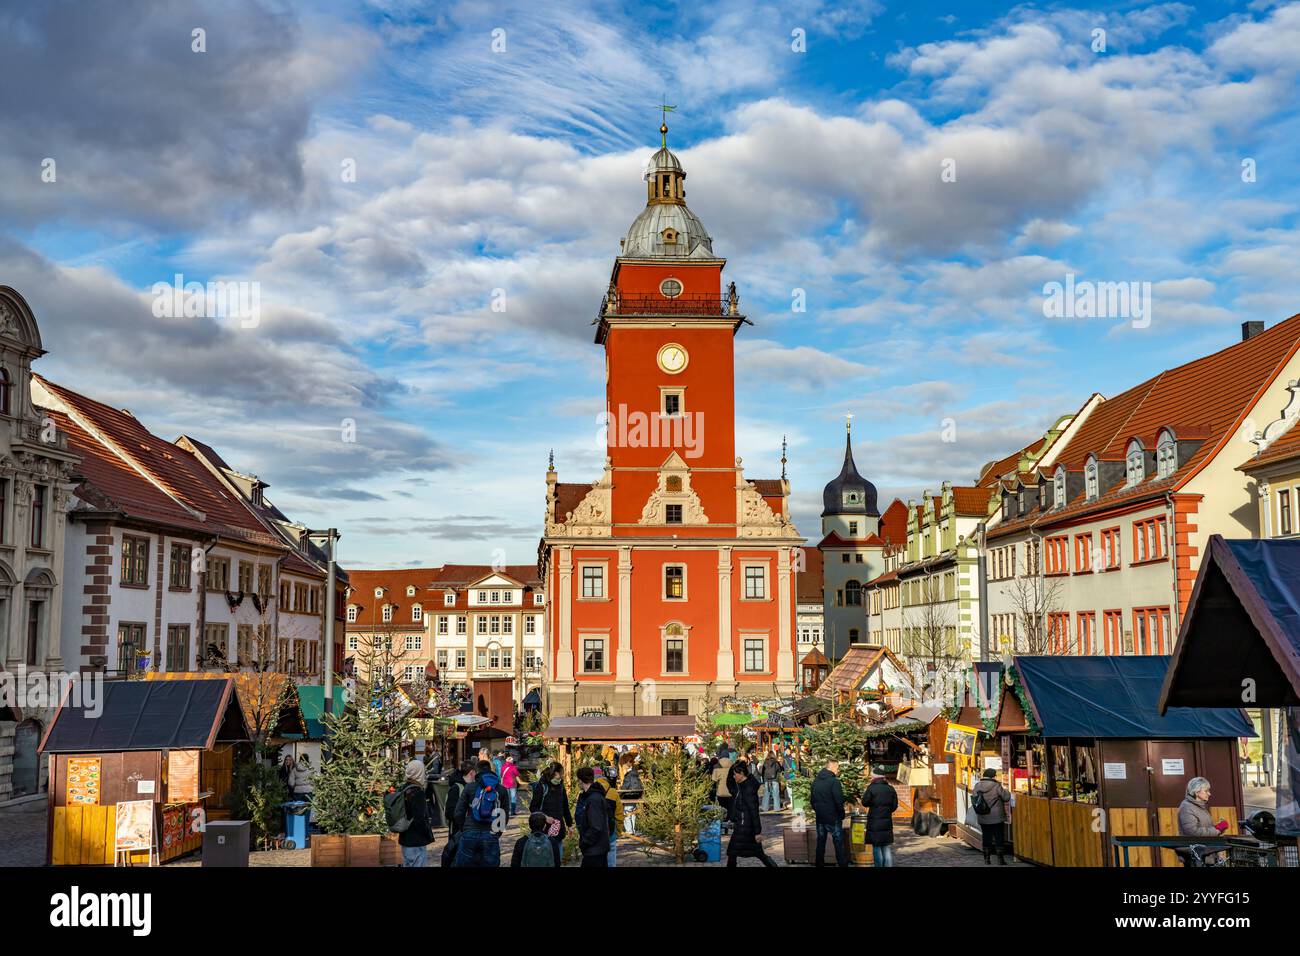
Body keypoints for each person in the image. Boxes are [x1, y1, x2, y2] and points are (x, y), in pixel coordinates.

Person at [726, 762, 779, 867]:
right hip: (741, 825)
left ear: (741, 773)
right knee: (734, 852)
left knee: (755, 853)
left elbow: (754, 811)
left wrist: (757, 832)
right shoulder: (739, 786)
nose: (734, 776)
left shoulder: (748, 789)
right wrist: (734, 765)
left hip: (746, 827)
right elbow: (729, 783)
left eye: (735, 774)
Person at [453, 759, 503, 867]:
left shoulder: (469, 787)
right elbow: (504, 815)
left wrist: (465, 829)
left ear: (477, 771)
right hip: (491, 832)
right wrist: (497, 833)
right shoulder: (501, 789)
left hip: (470, 831)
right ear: (490, 770)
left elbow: (458, 812)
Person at [529, 761, 573, 857]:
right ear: (555, 773)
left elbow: (565, 806)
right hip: (544, 831)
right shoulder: (542, 786)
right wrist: (545, 817)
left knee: (557, 859)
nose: (561, 776)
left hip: (558, 831)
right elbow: (533, 807)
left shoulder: (561, 786)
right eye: (560, 774)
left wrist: (570, 825)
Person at [810, 758, 849, 867]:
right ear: (831, 767)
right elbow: (839, 800)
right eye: (837, 768)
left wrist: (818, 810)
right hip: (833, 817)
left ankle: (819, 863)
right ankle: (842, 864)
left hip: (820, 817)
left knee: (821, 842)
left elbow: (812, 800)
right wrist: (841, 814)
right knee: (838, 843)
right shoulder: (834, 781)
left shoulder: (816, 781)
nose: (838, 770)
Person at [397, 759, 435, 867]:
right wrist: (427, 832)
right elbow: (420, 818)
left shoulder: (403, 789)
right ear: (419, 772)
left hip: (405, 838)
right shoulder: (417, 792)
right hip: (416, 840)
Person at [972, 768, 1012, 865]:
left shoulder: (977, 786)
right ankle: (1000, 859)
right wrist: (1006, 791)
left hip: (983, 816)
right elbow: (1006, 798)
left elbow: (974, 799)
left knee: (986, 836)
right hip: (997, 817)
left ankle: (987, 859)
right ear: (993, 776)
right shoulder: (996, 786)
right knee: (999, 836)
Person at [862, 767, 899, 867]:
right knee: (886, 847)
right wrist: (886, 812)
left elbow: (864, 802)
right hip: (886, 821)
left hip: (874, 822)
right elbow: (894, 806)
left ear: (875, 776)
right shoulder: (891, 789)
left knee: (877, 847)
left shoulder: (871, 788)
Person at [575, 767, 611, 868]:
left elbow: (596, 827)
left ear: (581, 780)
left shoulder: (593, 799)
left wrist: (584, 842)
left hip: (595, 850)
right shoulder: (595, 796)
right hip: (598, 848)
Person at [592, 770, 622, 866]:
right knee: (611, 861)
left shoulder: (589, 792)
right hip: (610, 831)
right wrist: (619, 831)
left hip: (594, 832)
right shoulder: (613, 792)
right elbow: (619, 814)